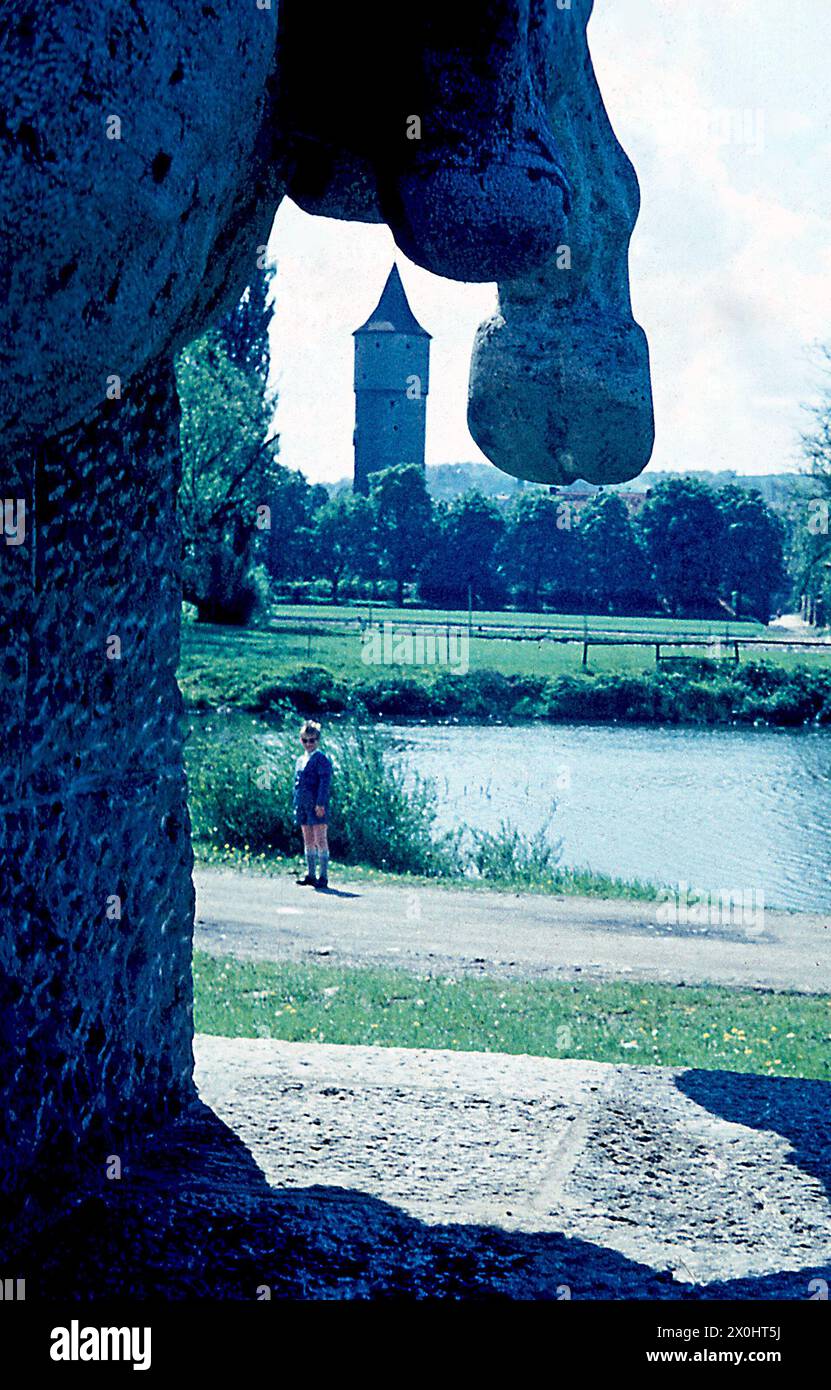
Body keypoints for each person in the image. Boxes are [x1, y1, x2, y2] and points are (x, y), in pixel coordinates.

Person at [293, 719, 333, 890]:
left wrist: (321, 803)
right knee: (308, 839)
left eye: (312, 740)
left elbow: (325, 783)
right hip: (302, 804)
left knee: (320, 839)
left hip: (317, 805)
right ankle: (310, 874)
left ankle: (323, 876)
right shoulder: (300, 760)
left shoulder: (321, 759)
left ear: (318, 740)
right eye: (305, 740)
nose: (308, 744)